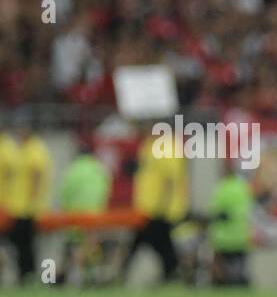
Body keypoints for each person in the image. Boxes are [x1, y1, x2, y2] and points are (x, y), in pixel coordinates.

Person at [122, 127, 187, 283]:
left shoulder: (167, 146)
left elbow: (169, 180)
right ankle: (172, 273)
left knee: (149, 242)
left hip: (162, 209)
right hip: (147, 208)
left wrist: (162, 206)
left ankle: (123, 272)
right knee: (159, 244)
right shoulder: (149, 145)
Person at [0, 121, 52, 283]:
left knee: (25, 245)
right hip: (18, 206)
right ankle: (26, 275)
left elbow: (35, 175)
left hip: (26, 207)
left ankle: (29, 275)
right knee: (21, 245)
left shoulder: (33, 149)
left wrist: (32, 199)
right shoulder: (22, 149)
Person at [59, 149, 111, 286]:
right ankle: (95, 275)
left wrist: (66, 211)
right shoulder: (99, 169)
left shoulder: (73, 170)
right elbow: (106, 190)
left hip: (76, 215)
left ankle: (78, 278)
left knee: (77, 246)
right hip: (94, 214)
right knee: (92, 244)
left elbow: (65, 193)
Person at [209, 159, 253, 286]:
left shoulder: (222, 187)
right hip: (241, 238)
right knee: (238, 272)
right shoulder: (243, 187)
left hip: (224, 239)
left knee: (223, 273)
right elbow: (247, 210)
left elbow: (216, 211)